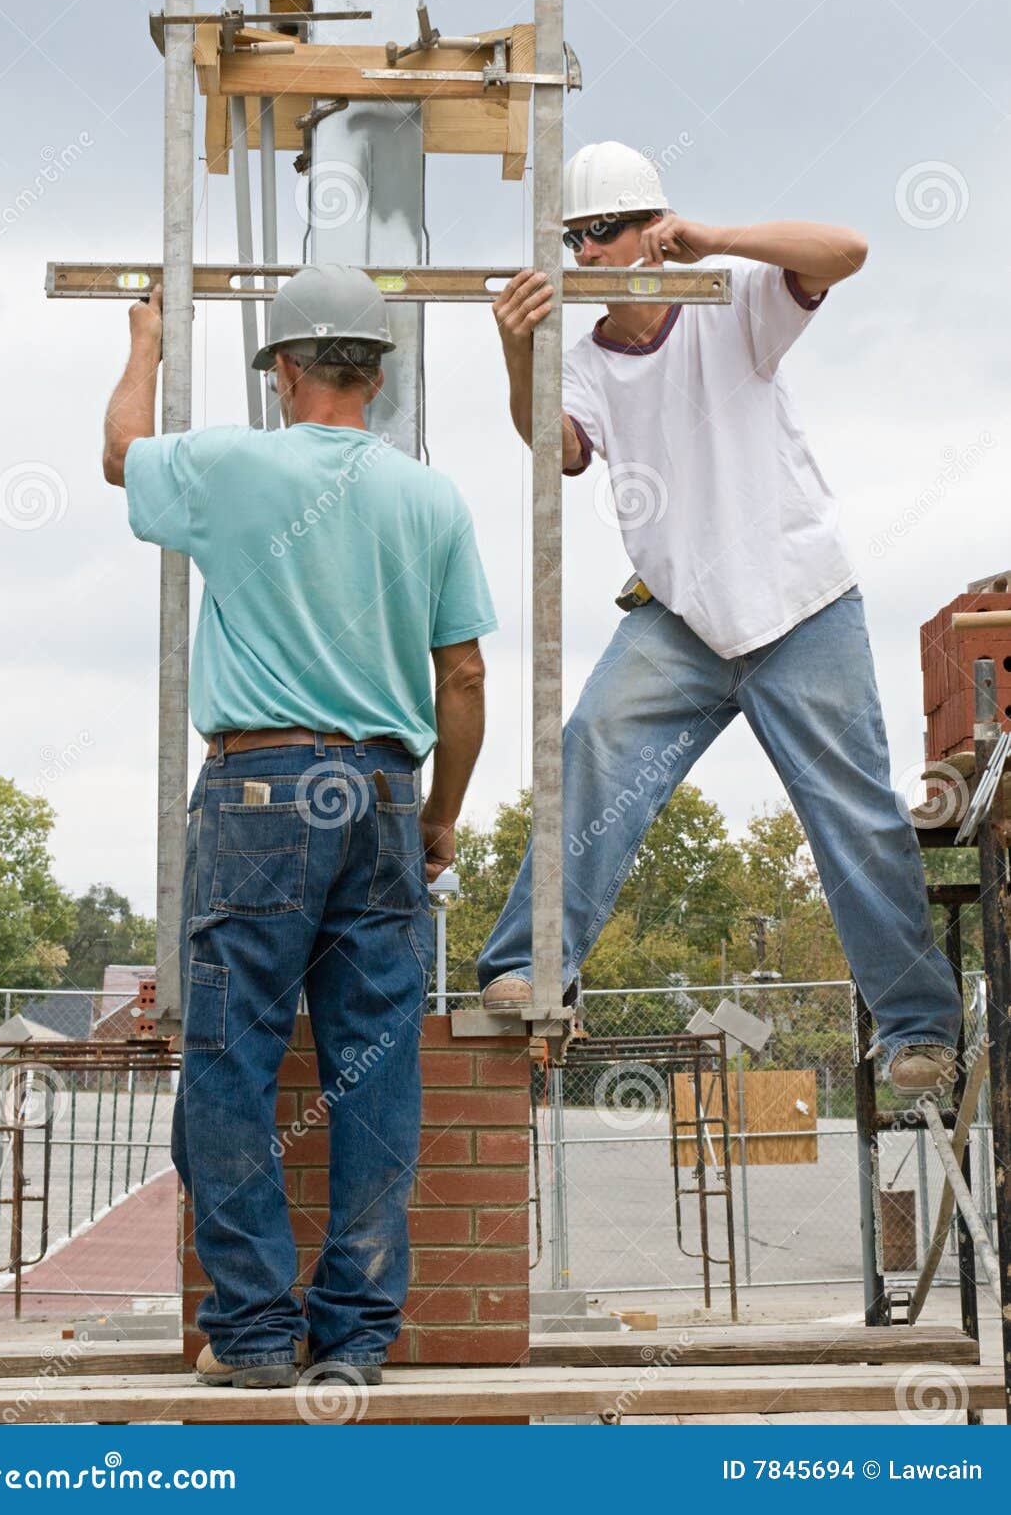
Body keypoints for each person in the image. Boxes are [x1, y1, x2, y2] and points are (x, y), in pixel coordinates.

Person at [477, 140, 961, 1096]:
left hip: (800, 605)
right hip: (682, 619)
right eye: (572, 239)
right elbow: (555, 450)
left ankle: (918, 1028)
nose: (585, 251)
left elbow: (848, 250)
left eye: (599, 231)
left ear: (650, 230)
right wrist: (514, 349)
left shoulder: (729, 300)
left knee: (856, 814)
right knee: (592, 749)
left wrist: (716, 237)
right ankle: (531, 964)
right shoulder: (582, 362)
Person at [103, 265, 495, 1387]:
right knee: (375, 1070)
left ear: (281, 369)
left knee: (231, 1061)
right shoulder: (430, 498)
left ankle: (257, 1334)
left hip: (259, 791)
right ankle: (356, 1337)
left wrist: (146, 344)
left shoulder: (231, 466)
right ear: (379, 373)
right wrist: (439, 815)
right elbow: (464, 676)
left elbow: (120, 455)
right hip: (380, 795)